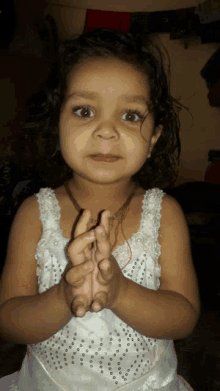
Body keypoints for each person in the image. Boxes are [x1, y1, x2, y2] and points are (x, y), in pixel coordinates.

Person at [0, 28, 200, 390]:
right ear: (56, 124)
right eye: (84, 110)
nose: (106, 131)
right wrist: (63, 296)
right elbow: (9, 320)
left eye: (130, 116)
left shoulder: (164, 214)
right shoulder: (33, 214)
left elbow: (183, 317)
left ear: (153, 139)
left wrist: (120, 292)